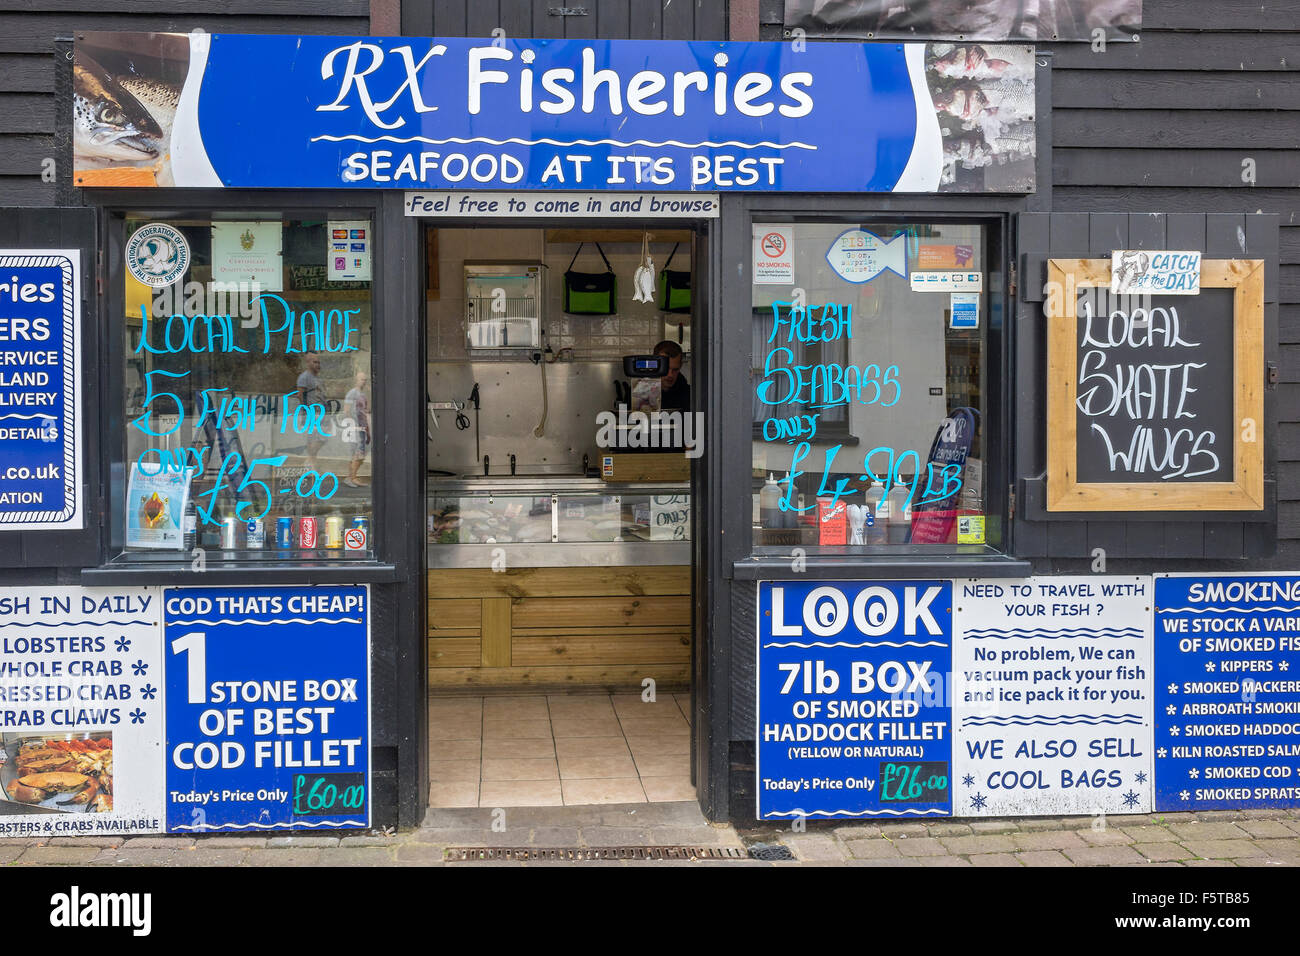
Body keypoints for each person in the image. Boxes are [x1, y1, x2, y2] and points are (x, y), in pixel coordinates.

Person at [296, 351, 326, 469]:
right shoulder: (304, 377)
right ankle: (310, 462)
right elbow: (300, 395)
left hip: (321, 413)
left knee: (321, 438)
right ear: (308, 363)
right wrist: (307, 411)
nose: (318, 365)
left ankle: (310, 462)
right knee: (317, 438)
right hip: (312, 413)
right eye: (315, 362)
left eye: (318, 362)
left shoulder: (317, 378)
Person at [344, 369, 371, 488]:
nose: (364, 382)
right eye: (362, 379)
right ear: (356, 380)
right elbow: (346, 410)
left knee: (360, 452)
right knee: (358, 452)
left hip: (363, 427)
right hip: (355, 428)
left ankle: (351, 476)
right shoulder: (352, 393)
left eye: (365, 380)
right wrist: (353, 426)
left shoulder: (363, 394)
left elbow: (366, 411)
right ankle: (352, 478)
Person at [653, 340, 691, 411]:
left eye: (675, 370)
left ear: (680, 366)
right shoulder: (637, 394)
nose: (670, 375)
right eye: (666, 369)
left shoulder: (690, 395)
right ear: (655, 365)